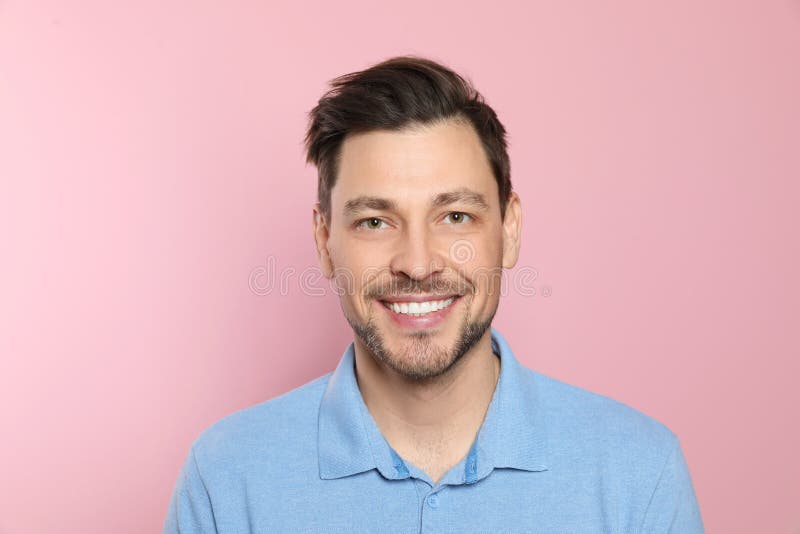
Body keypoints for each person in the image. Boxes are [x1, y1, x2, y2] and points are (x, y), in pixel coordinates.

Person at [164, 55, 704, 533]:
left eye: (455, 216)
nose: (418, 265)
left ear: (509, 228)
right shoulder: (225, 480)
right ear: (325, 241)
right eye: (375, 221)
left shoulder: (640, 474)